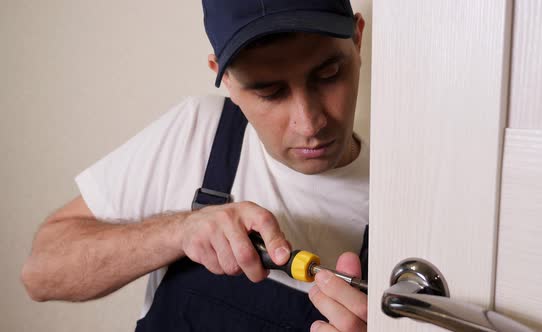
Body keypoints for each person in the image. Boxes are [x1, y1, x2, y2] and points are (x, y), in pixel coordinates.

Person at [21, 0, 369, 331]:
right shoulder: (200, 132)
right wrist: (179, 231)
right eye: (270, 93)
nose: (308, 124)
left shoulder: (402, 203)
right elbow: (40, 273)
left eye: (328, 75)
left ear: (358, 39)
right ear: (225, 78)